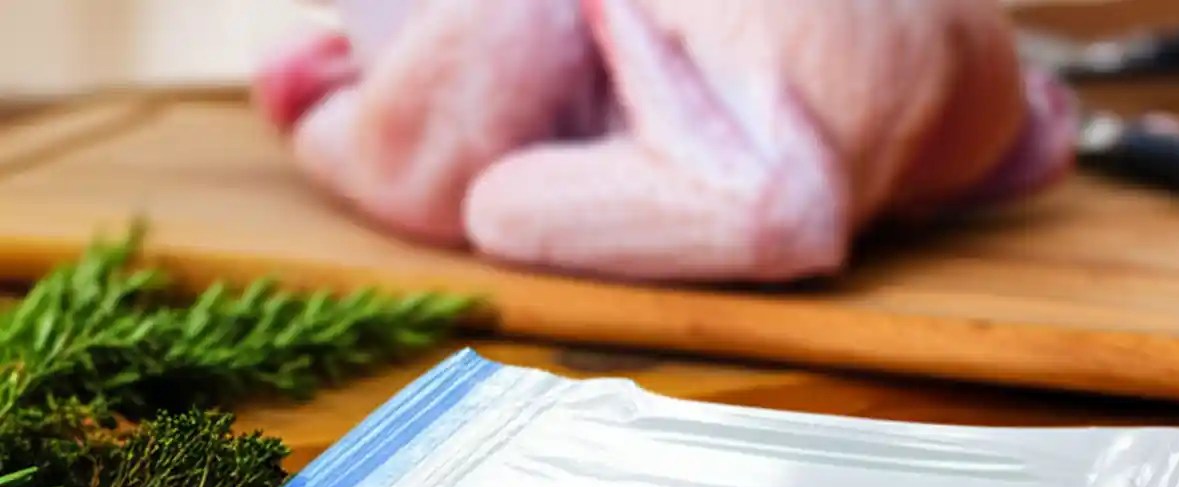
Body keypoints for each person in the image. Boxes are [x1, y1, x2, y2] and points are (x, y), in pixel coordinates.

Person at [255, 0, 1075, 282]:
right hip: (953, 111)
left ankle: (326, 108)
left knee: (480, 199)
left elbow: (778, 212)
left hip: (784, 161)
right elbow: (1031, 134)